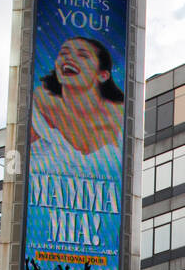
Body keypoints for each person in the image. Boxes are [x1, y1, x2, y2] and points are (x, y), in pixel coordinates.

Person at [30, 37, 125, 172]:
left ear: (103, 75)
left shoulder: (121, 117)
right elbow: (19, 161)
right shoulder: (41, 104)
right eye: (64, 53)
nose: (69, 58)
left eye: (83, 55)